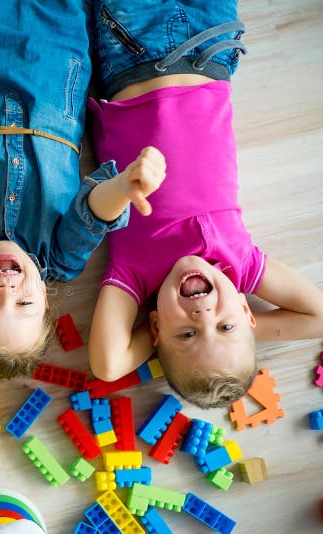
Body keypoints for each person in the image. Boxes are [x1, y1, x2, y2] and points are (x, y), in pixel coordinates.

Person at [86, 0, 323, 408]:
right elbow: (319, 317)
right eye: (226, 325)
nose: (203, 315)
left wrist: (212, 328)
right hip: (210, 47)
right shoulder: (241, 264)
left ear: (156, 329)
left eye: (188, 334)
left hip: (132, 48)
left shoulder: (137, 275)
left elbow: (107, 366)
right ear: (247, 314)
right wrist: (245, 328)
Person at [0, 2, 161, 380]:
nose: (7, 287)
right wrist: (123, 186)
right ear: (45, 299)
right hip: (53, 62)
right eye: (24, 302)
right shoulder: (60, 258)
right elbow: (93, 213)